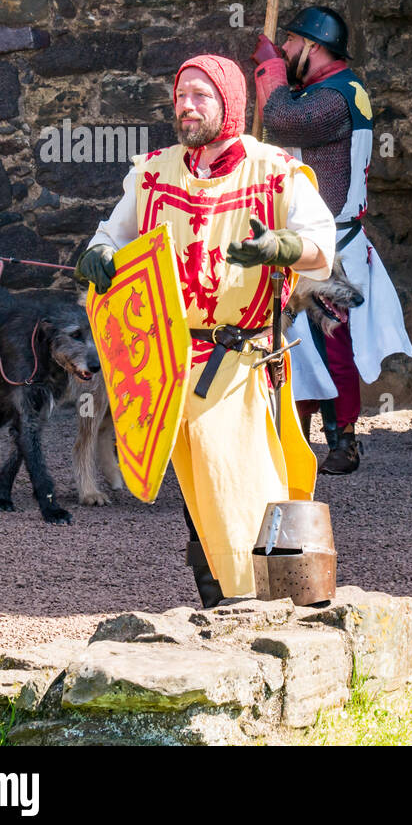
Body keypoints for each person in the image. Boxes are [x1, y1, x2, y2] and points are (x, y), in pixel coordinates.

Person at [78, 54, 336, 607]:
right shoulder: (151, 172)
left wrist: (286, 246)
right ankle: (218, 608)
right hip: (168, 363)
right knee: (198, 498)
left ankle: (266, 606)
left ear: (231, 104)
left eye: (201, 95)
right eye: (180, 95)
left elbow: (322, 250)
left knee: (239, 489)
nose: (186, 105)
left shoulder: (275, 171)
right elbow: (112, 233)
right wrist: (99, 253)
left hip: (240, 361)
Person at [250, 6, 412, 475]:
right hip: (311, 241)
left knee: (331, 344)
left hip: (330, 245)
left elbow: (282, 121)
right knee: (298, 342)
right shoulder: (332, 91)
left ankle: (344, 442)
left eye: (291, 43)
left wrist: (269, 70)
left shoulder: (337, 97)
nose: (285, 49)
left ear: (313, 46)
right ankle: (295, 440)